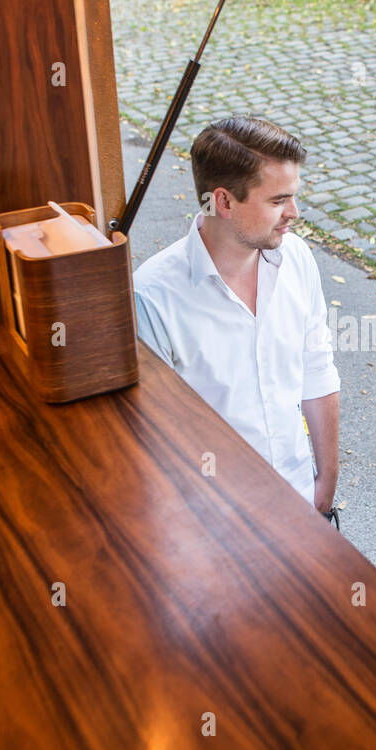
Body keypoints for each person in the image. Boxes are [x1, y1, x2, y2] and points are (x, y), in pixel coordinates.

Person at [132, 116, 340, 520]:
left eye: (293, 197)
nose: (294, 213)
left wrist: (326, 481)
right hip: (214, 520)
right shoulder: (152, 297)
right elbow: (156, 438)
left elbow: (316, 369)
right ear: (224, 202)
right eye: (278, 200)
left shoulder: (297, 258)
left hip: (301, 503)